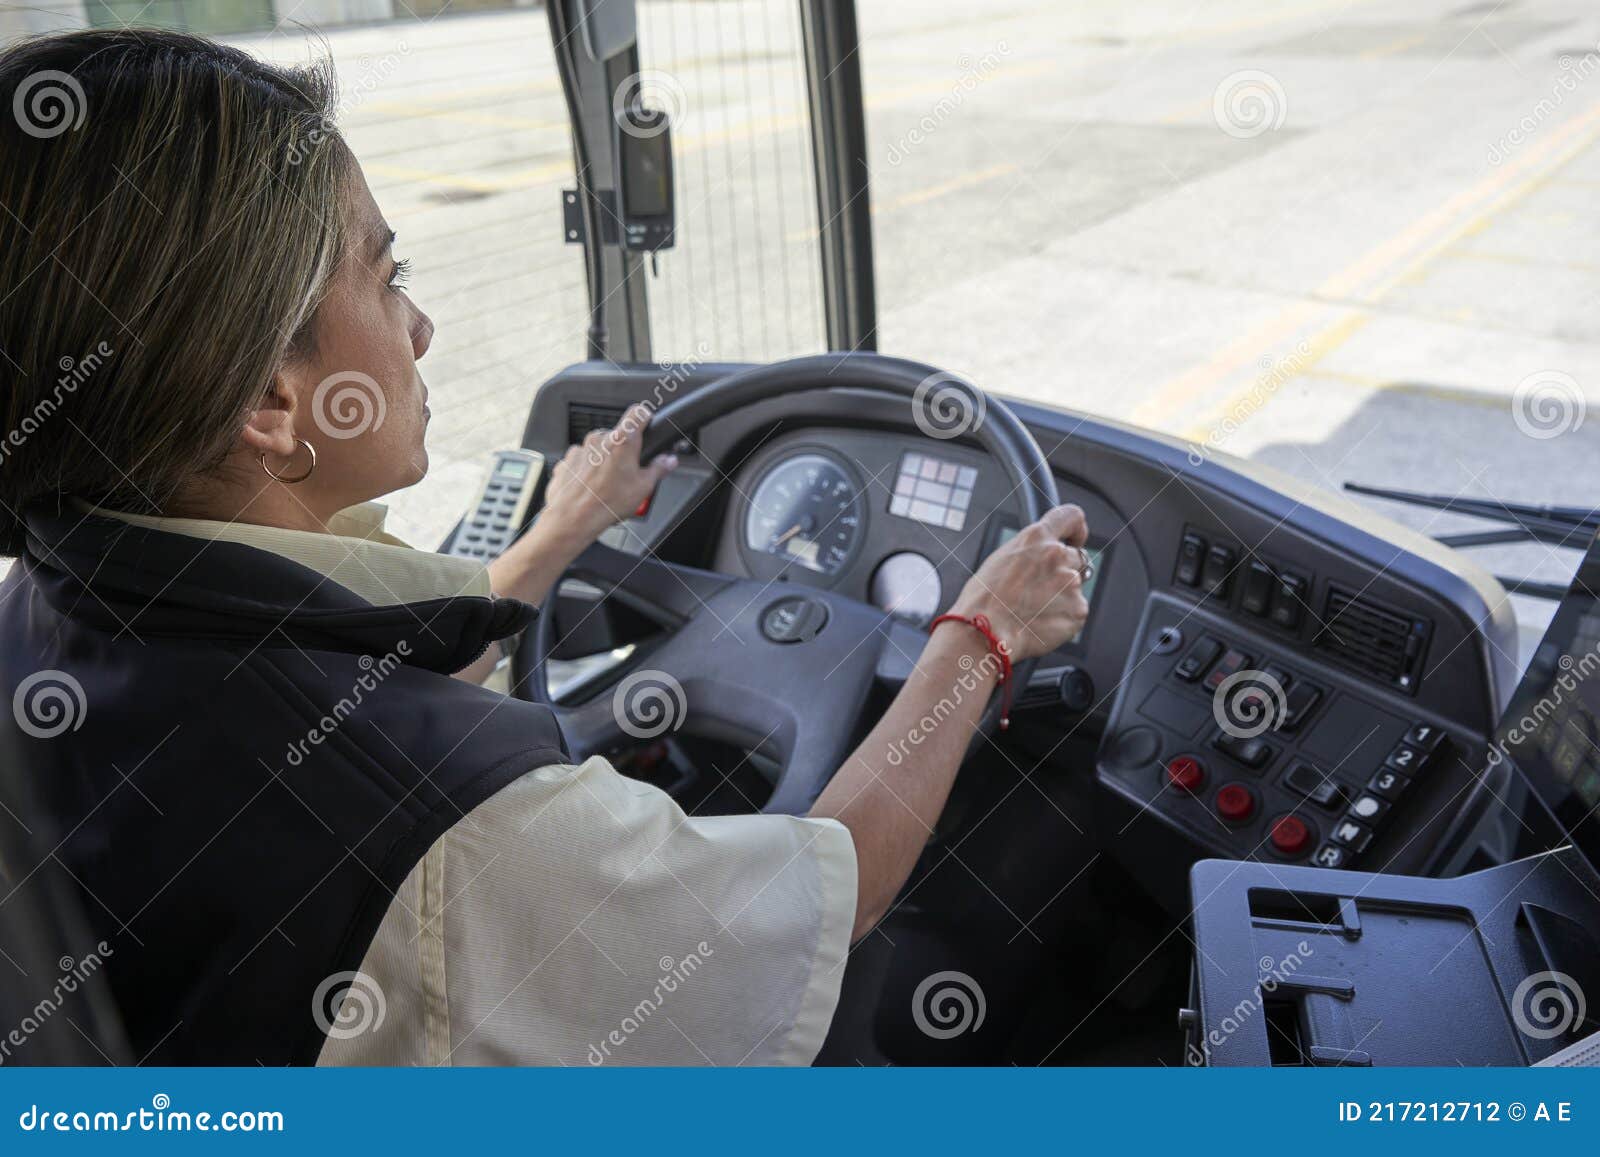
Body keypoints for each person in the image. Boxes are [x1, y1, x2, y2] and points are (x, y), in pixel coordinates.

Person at [0, 29, 1091, 1065]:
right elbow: (828, 894)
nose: (419, 327)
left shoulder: (55, 604)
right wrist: (978, 635)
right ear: (275, 405)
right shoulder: (469, 829)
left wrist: (562, 529)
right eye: (388, 278)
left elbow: (360, 677)